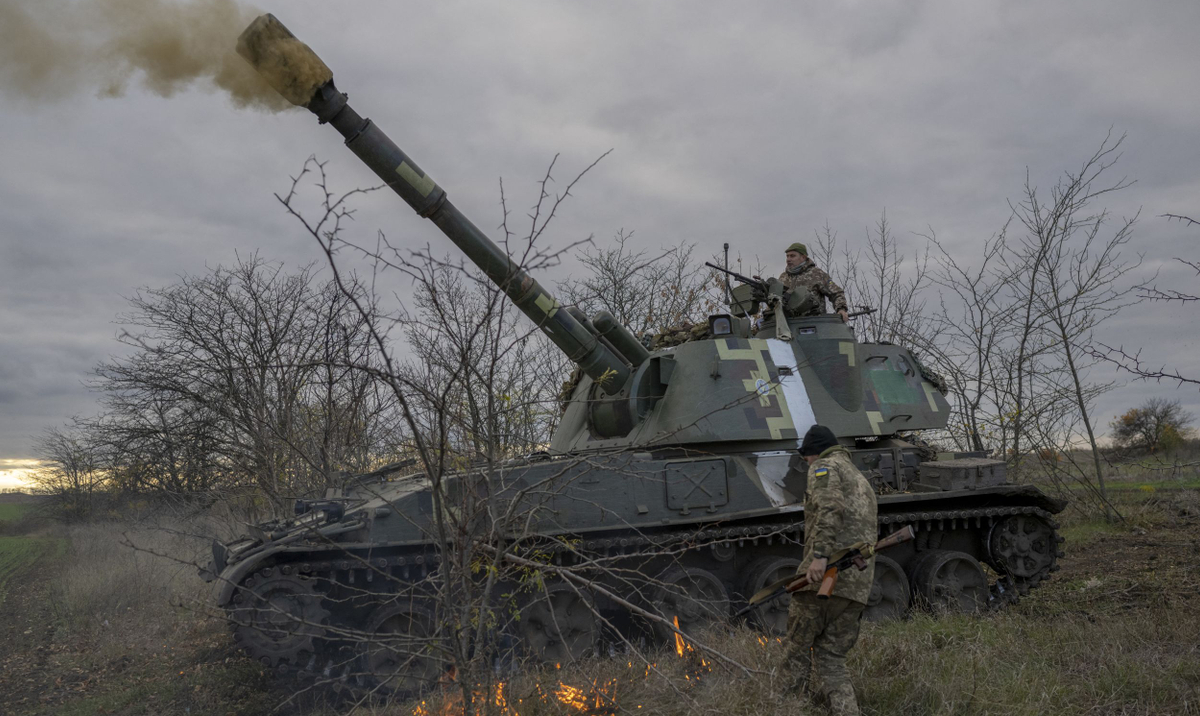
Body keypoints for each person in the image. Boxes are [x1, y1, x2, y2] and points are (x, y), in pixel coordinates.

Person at [783, 424, 878, 716]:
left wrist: (820, 557)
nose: (807, 464)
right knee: (832, 661)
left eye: (806, 458)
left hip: (822, 580)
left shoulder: (824, 467)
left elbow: (829, 507)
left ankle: (790, 708)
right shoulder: (859, 478)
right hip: (856, 588)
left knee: (796, 654)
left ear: (813, 453)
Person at [779, 242, 849, 322]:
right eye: (787, 256)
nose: (788, 259)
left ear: (803, 257)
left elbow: (836, 293)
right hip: (789, 325)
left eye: (792, 256)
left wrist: (841, 309)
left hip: (814, 324)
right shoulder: (783, 277)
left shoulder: (817, 274)